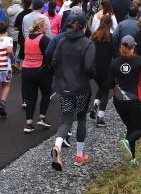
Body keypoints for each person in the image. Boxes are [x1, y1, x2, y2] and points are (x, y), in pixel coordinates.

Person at [50, 15, 95, 171]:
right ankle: (79, 155)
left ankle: (57, 146)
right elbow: (89, 67)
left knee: (66, 121)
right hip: (81, 88)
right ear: (84, 27)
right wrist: (91, 75)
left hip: (64, 87)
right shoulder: (88, 44)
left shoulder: (61, 41)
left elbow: (53, 62)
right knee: (81, 118)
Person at [109, 35, 141, 168]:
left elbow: (109, 83)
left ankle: (132, 160)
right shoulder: (140, 61)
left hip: (119, 101)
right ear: (133, 48)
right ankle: (127, 141)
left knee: (131, 128)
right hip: (135, 99)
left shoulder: (114, 62)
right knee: (139, 129)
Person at [22, 18, 52, 133]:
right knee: (46, 93)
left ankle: (28, 123)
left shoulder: (26, 38)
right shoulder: (44, 39)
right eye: (45, 25)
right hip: (41, 70)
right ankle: (42, 117)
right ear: (40, 27)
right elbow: (49, 54)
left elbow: (22, 54)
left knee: (31, 98)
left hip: (26, 70)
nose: (46, 27)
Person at [89, 15, 117, 128]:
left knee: (101, 87)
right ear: (110, 24)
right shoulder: (111, 38)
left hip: (95, 69)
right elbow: (115, 55)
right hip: (106, 68)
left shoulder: (94, 36)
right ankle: (100, 117)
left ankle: (95, 106)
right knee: (106, 92)